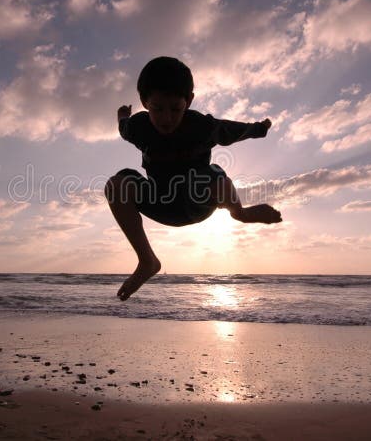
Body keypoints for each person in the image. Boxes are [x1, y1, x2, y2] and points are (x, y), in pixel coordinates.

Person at [106, 56, 282, 301]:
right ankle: (147, 260)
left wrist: (258, 128)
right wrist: (123, 115)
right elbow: (124, 127)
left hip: (196, 204)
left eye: (175, 109)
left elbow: (233, 130)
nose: (167, 118)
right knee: (116, 185)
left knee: (211, 175)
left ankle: (240, 213)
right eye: (157, 109)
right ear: (144, 102)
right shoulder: (139, 127)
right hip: (161, 202)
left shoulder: (202, 127)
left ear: (188, 101)